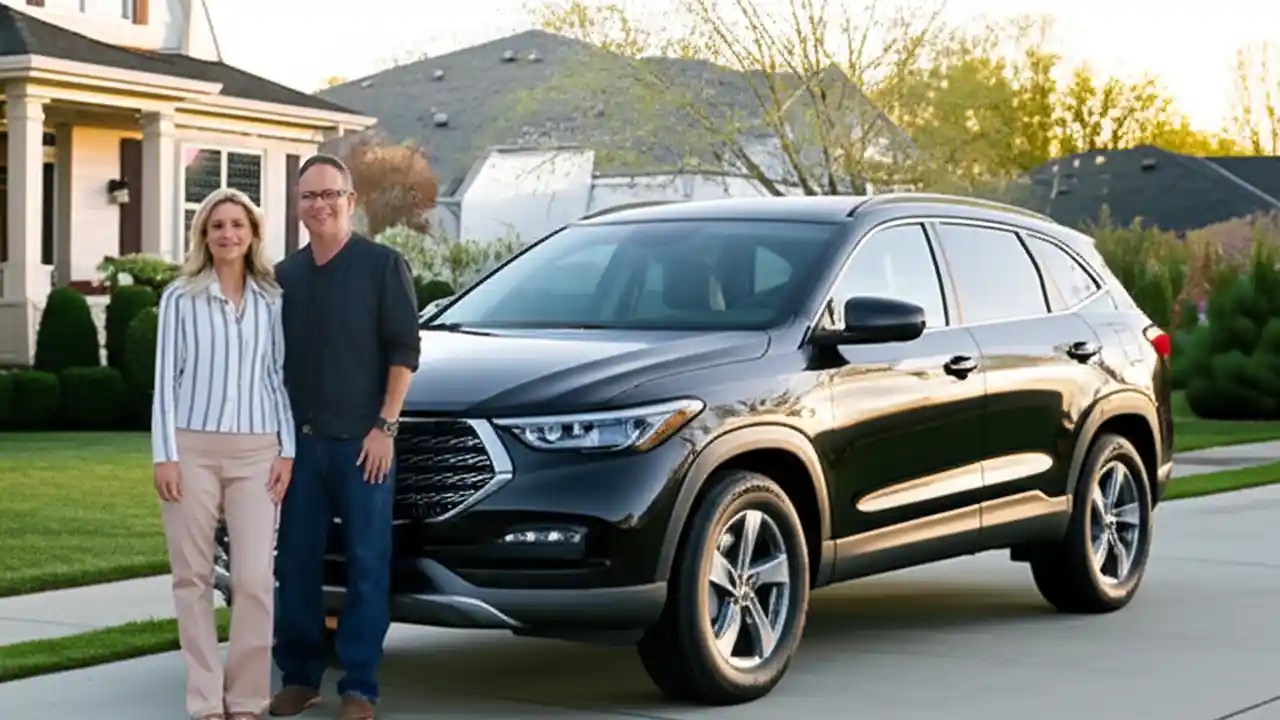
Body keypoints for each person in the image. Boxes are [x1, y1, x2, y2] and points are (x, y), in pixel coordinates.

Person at [269, 154, 420, 720]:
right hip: (300, 448)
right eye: (309, 195)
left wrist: (385, 427)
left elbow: (404, 352)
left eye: (330, 194)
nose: (320, 205)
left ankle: (360, 685)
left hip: (364, 446)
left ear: (350, 201)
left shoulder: (382, 266)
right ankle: (300, 677)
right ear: (298, 205)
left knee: (366, 563)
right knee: (296, 564)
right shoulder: (284, 277)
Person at [152, 187, 296, 720]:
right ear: (204, 236)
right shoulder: (179, 298)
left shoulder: (272, 300)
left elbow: (278, 378)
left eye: (237, 225)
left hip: (258, 452)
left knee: (254, 579)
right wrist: (165, 456)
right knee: (191, 577)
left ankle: (248, 697)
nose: (227, 234)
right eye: (217, 226)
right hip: (191, 449)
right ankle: (205, 699)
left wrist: (287, 451)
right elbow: (165, 382)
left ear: (253, 234)